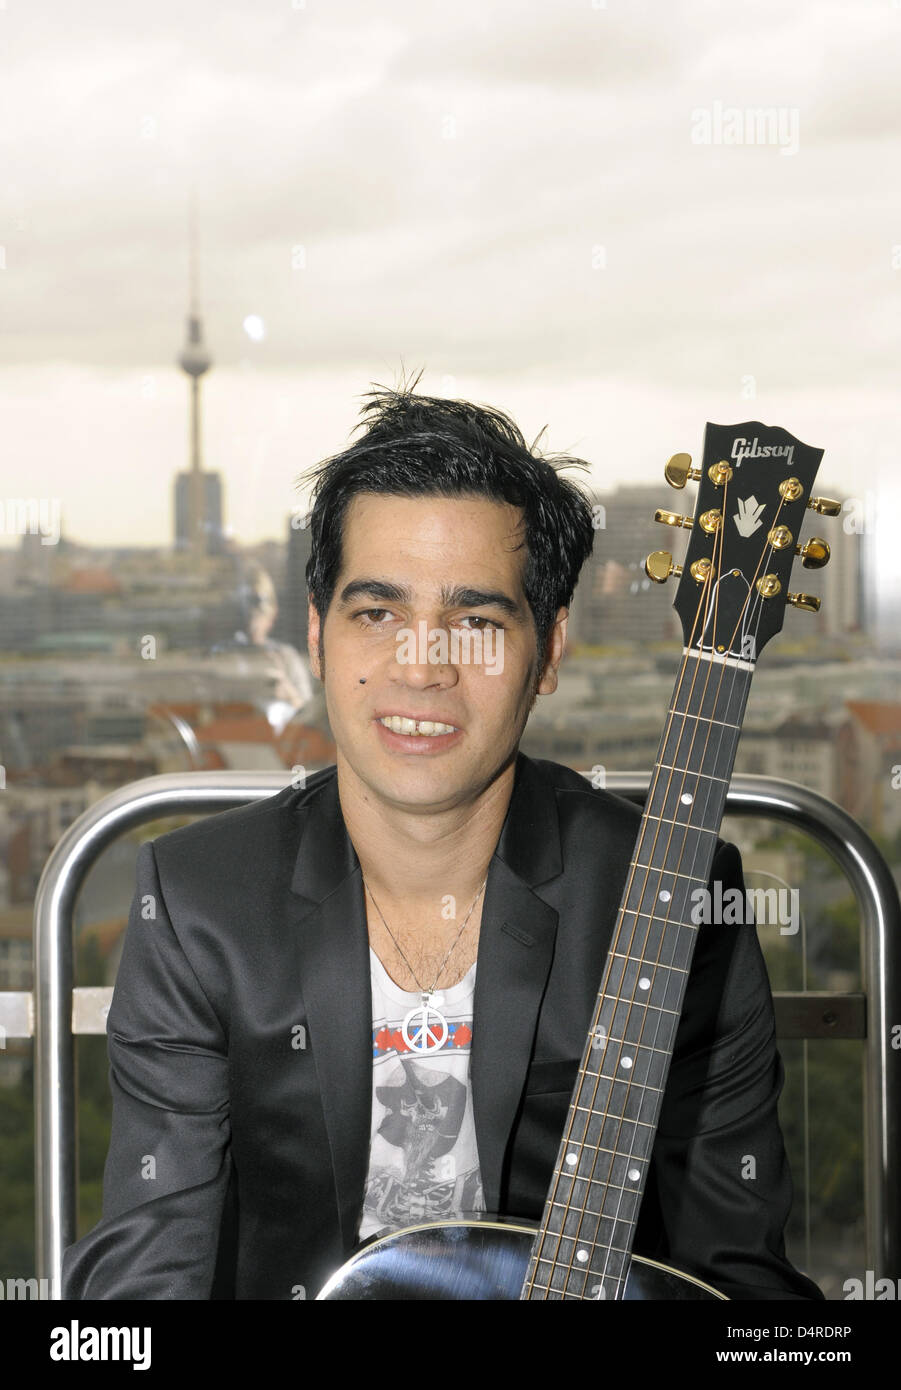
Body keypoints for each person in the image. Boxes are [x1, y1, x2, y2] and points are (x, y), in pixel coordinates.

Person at [61, 376, 823, 1301]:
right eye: (377, 614)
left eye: (475, 622)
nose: (421, 667)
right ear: (318, 636)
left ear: (549, 652)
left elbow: (742, 1283)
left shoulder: (671, 892)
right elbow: (145, 1278)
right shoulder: (198, 902)